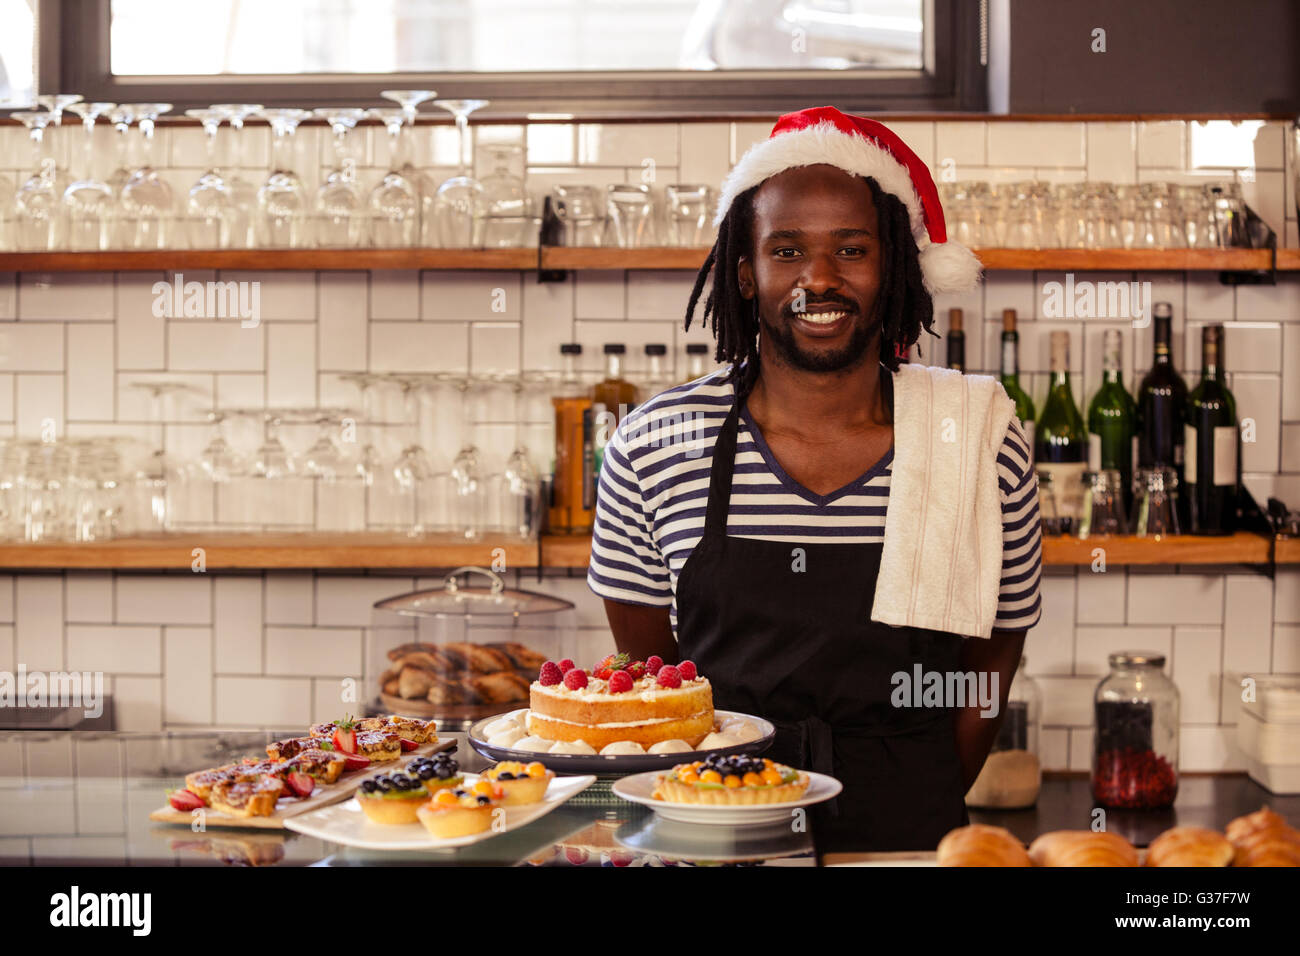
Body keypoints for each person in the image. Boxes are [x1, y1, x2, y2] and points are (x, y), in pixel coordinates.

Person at [587, 106, 1041, 853]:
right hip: (711, 827)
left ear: (892, 265)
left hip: (908, 835)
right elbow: (649, 674)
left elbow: (993, 655)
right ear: (746, 272)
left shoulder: (980, 442)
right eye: (787, 250)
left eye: (852, 249)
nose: (819, 278)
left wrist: (919, 785)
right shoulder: (656, 444)